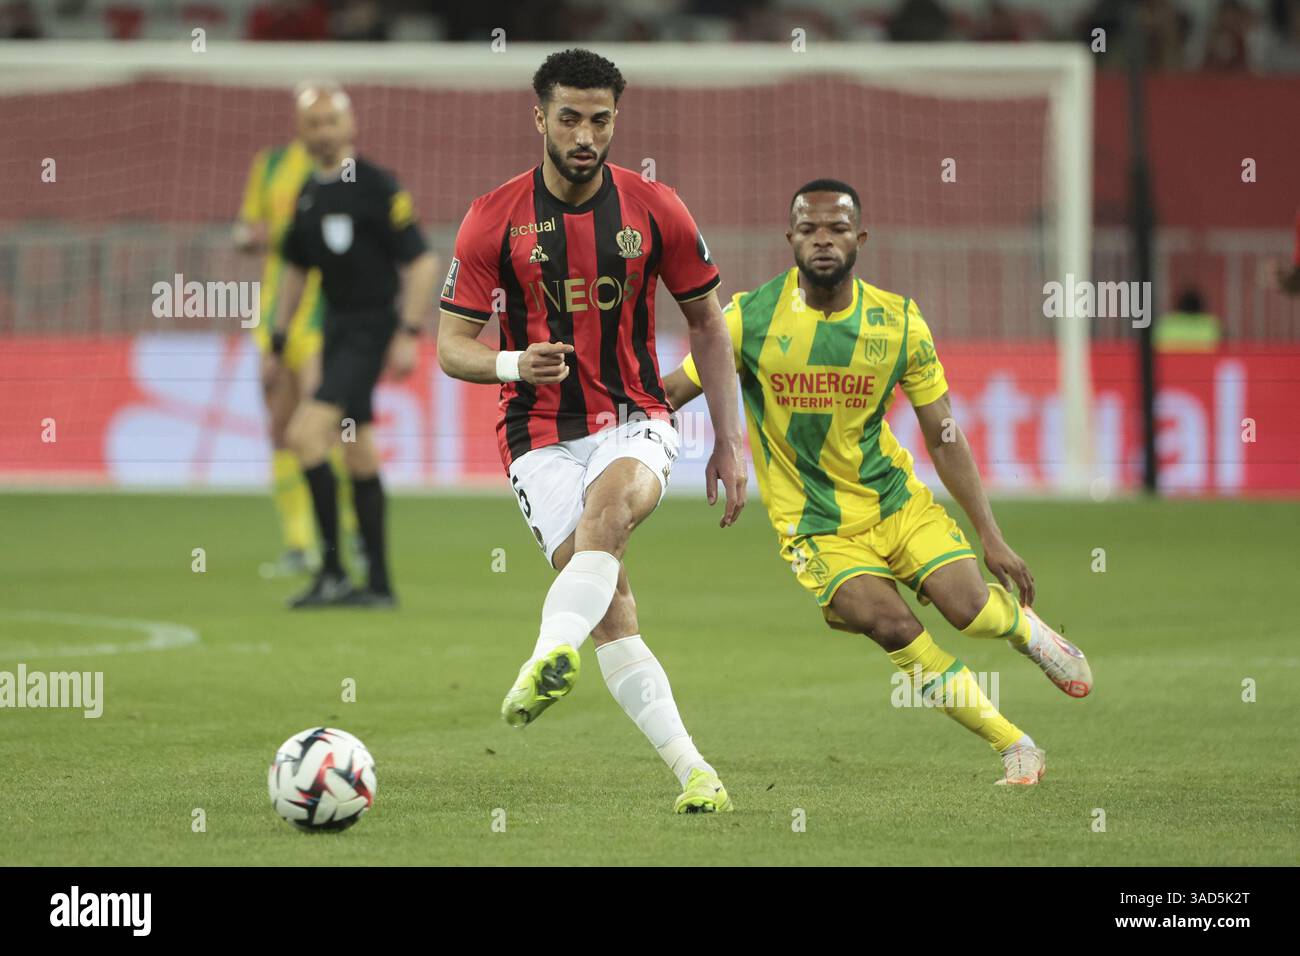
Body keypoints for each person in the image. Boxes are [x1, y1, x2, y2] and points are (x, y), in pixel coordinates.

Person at [664, 179, 1093, 786]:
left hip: (895, 503)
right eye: (809, 229)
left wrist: (991, 536)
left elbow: (944, 435)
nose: (822, 240)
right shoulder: (747, 318)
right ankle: (1015, 745)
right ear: (790, 239)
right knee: (892, 625)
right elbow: (669, 393)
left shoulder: (898, 322)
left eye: (836, 228)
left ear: (859, 238)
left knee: (969, 609)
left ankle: (1025, 630)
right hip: (814, 526)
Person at [437, 49, 747, 813]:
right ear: (538, 116)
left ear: (616, 121)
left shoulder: (656, 207)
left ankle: (546, 655)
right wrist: (512, 362)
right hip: (535, 434)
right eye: (569, 117)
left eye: (600, 119)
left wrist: (730, 440)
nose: (585, 134)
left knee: (607, 516)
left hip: (633, 419)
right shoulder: (492, 217)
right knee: (610, 606)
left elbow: (709, 325)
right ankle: (697, 776)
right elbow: (451, 346)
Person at [269, 81, 440, 608]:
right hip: (337, 330)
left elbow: (422, 260)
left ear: (349, 126)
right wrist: (278, 335)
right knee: (359, 454)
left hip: (371, 329)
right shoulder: (307, 193)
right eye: (312, 123)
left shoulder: (375, 186)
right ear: (300, 132)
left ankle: (335, 572)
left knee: (303, 435)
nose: (322, 131)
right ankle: (380, 586)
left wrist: (409, 333)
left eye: (330, 122)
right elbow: (296, 269)